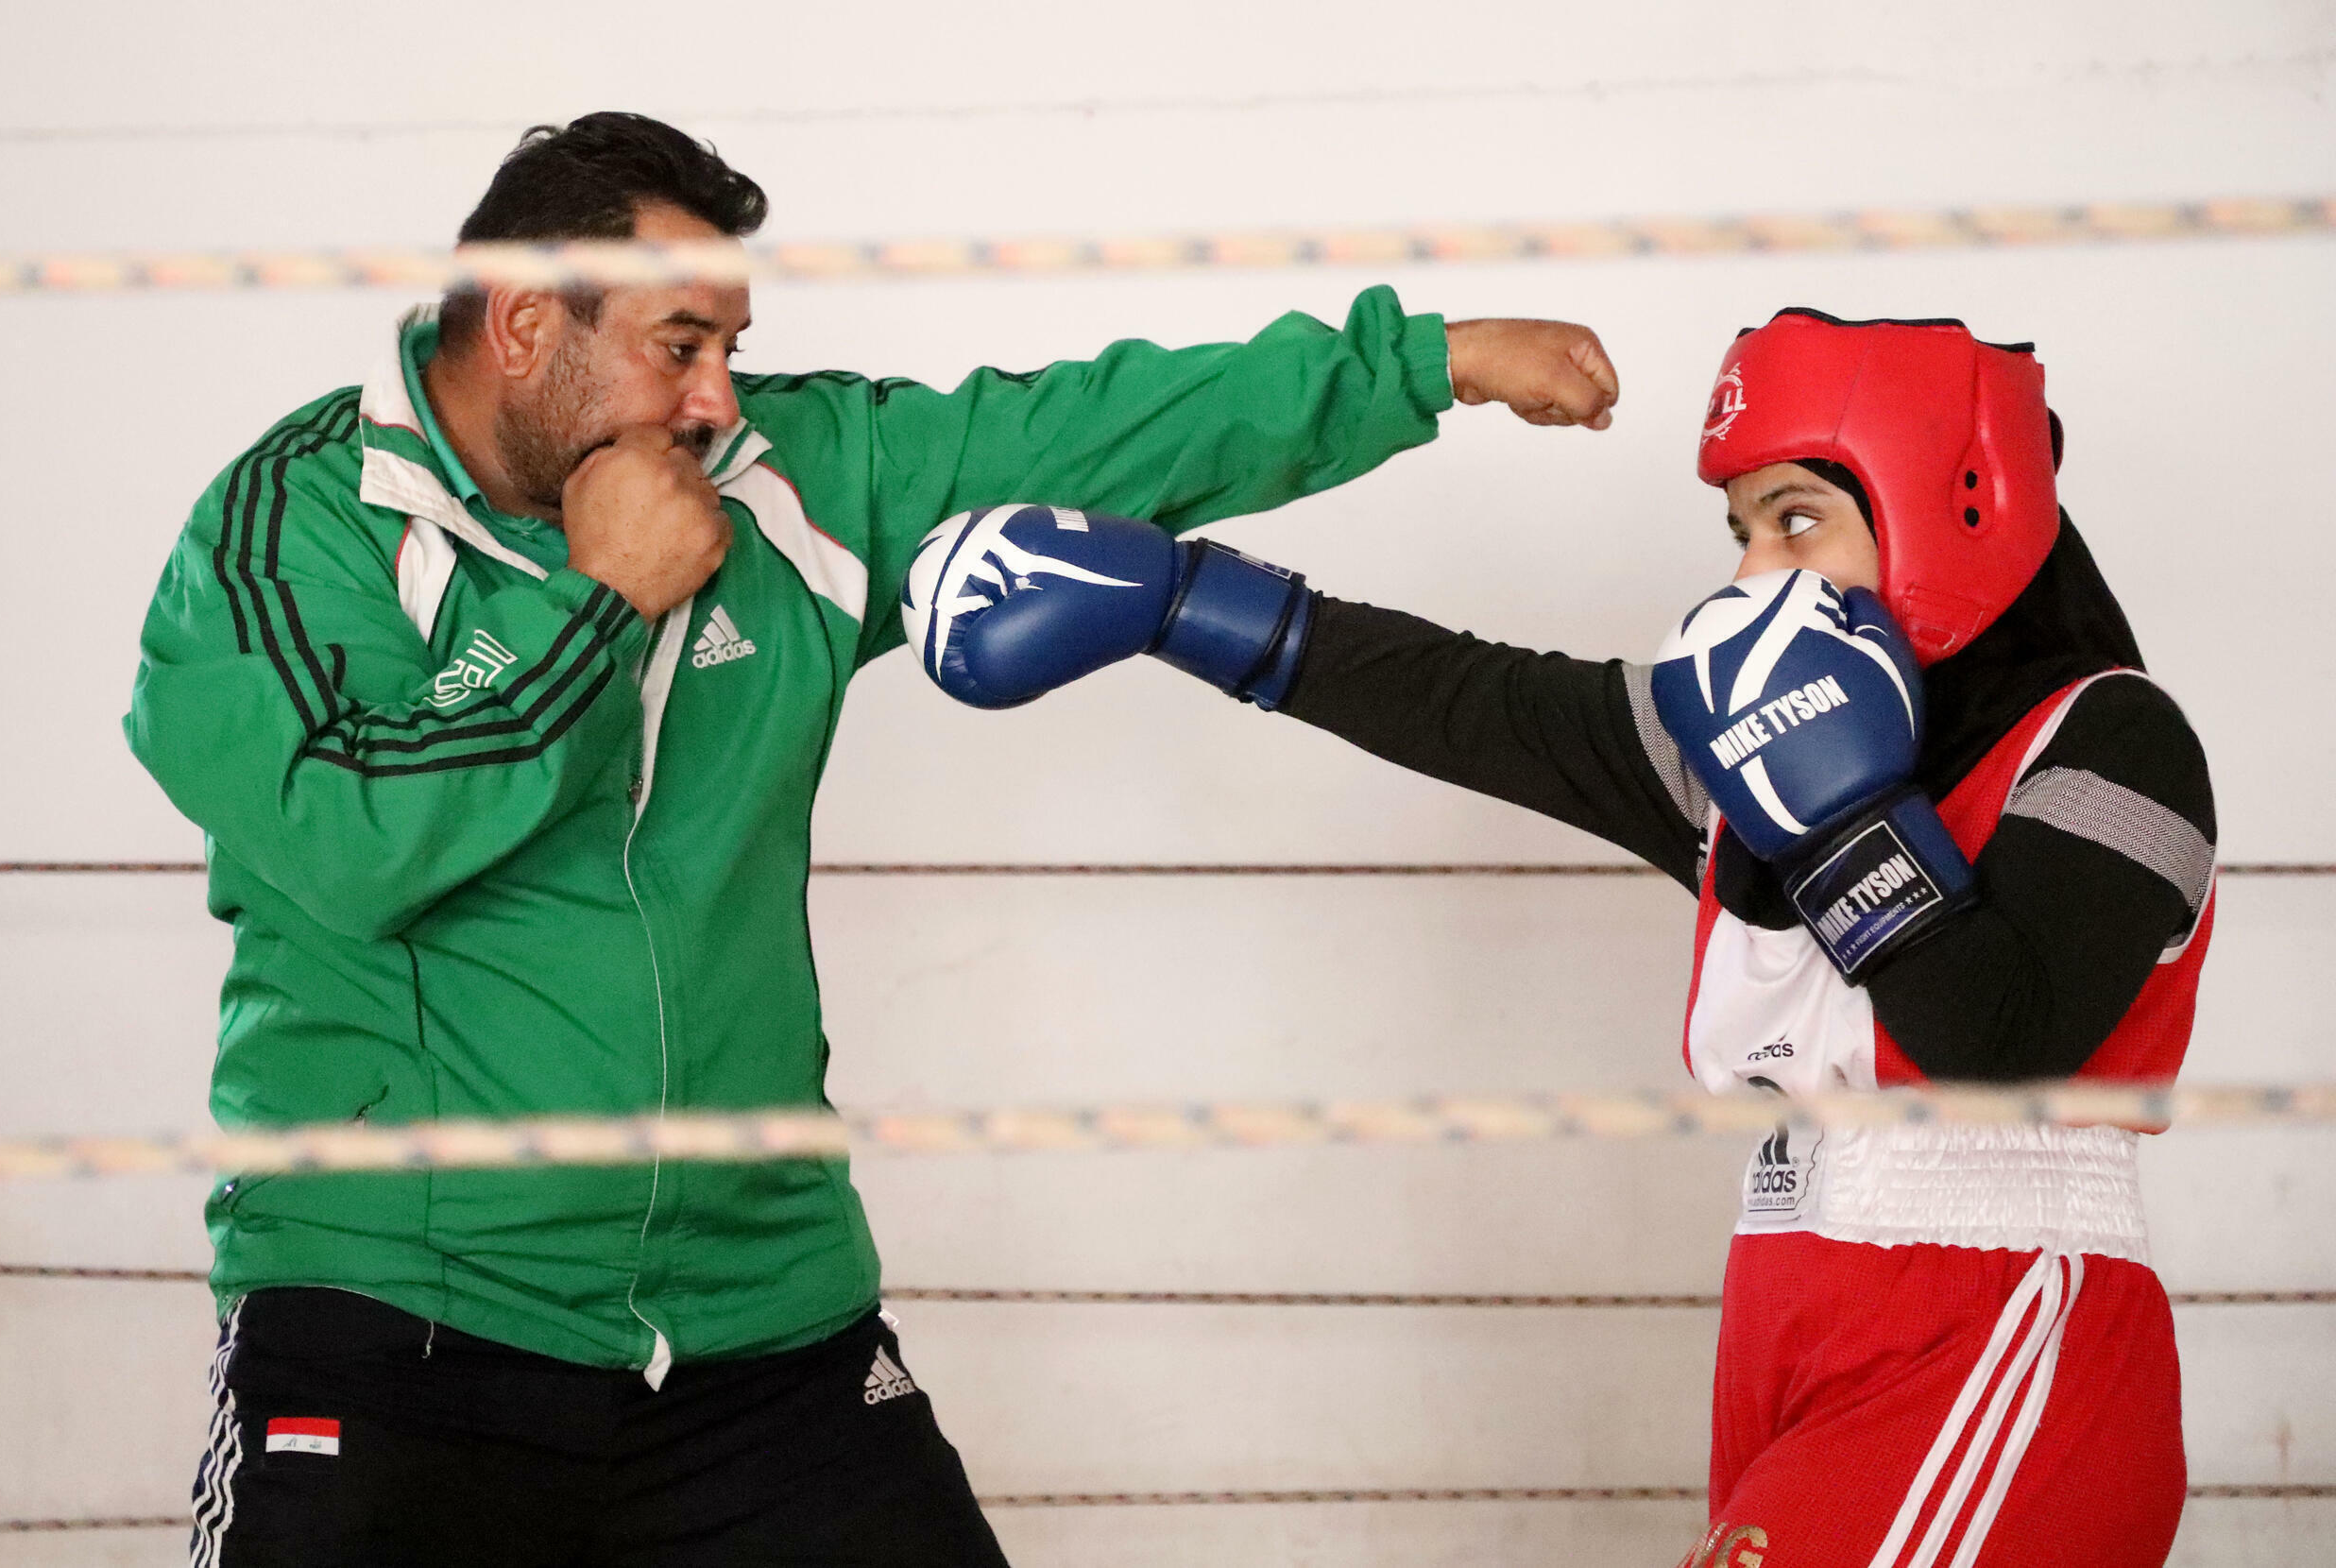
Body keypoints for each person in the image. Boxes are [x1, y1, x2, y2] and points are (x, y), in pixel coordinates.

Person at [124, 111, 1621, 1566]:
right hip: (403, 1317)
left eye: (730, 348)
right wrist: (597, 601)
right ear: (524, 323)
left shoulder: (788, 481)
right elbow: (359, 836)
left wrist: (1424, 365)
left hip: (762, 1323)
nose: (716, 400)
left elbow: (1094, 427)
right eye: (677, 347)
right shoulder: (290, 524)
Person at [908, 309, 2214, 1566]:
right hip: (1791, 1302)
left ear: (1956, 503)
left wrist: (1841, 810)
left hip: (1997, 1323)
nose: (1755, 573)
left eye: (1800, 520)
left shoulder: (2110, 737)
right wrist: (1174, 600)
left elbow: (2006, 1038)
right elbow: (1475, 703)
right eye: (1743, 530)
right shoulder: (1734, 757)